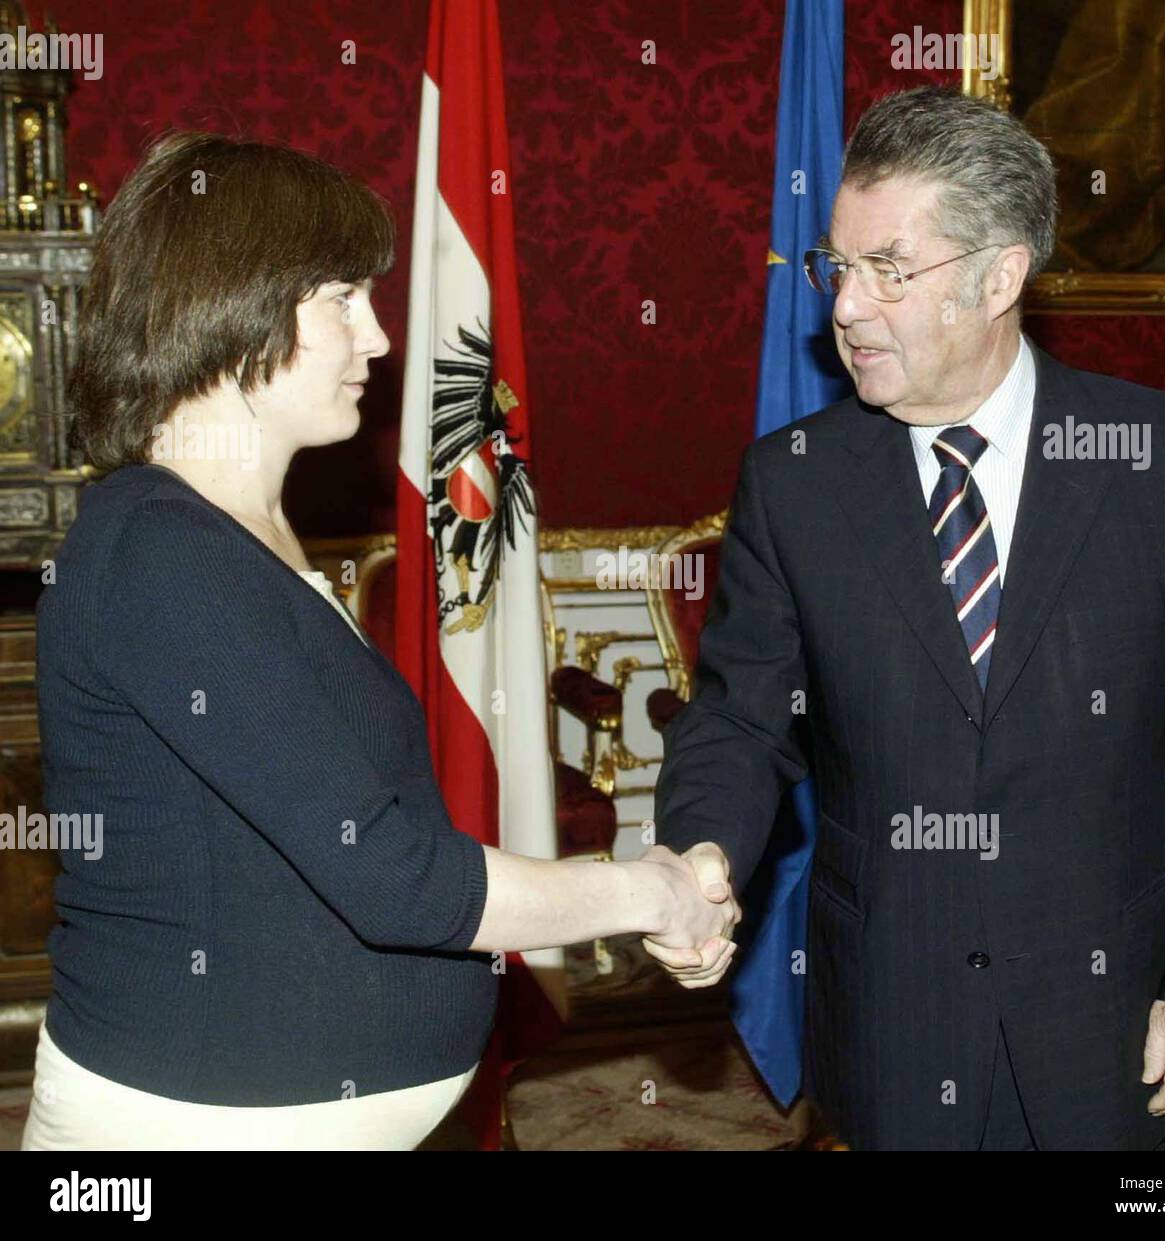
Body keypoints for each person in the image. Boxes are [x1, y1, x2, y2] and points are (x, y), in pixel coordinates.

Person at [22, 131, 735, 1152]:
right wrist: (648, 889)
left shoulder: (235, 533)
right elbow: (392, 877)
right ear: (234, 300)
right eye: (342, 298)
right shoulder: (162, 552)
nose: (378, 337)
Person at [648, 86, 1165, 1151]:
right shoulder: (795, 482)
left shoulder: (1163, 460)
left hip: (1111, 1008)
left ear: (998, 277)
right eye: (837, 267)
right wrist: (697, 854)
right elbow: (741, 720)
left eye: (889, 269)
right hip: (893, 1005)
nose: (846, 307)